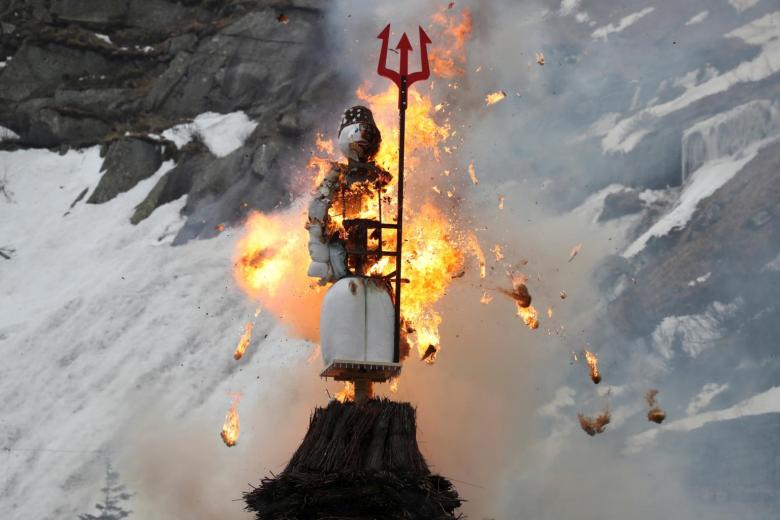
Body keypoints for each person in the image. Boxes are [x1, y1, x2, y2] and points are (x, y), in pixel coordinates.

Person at [306, 105, 391, 284]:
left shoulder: (376, 174)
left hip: (369, 236)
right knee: (337, 250)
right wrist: (317, 232)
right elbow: (318, 205)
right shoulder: (339, 174)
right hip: (343, 234)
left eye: (368, 133)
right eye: (360, 131)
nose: (364, 138)